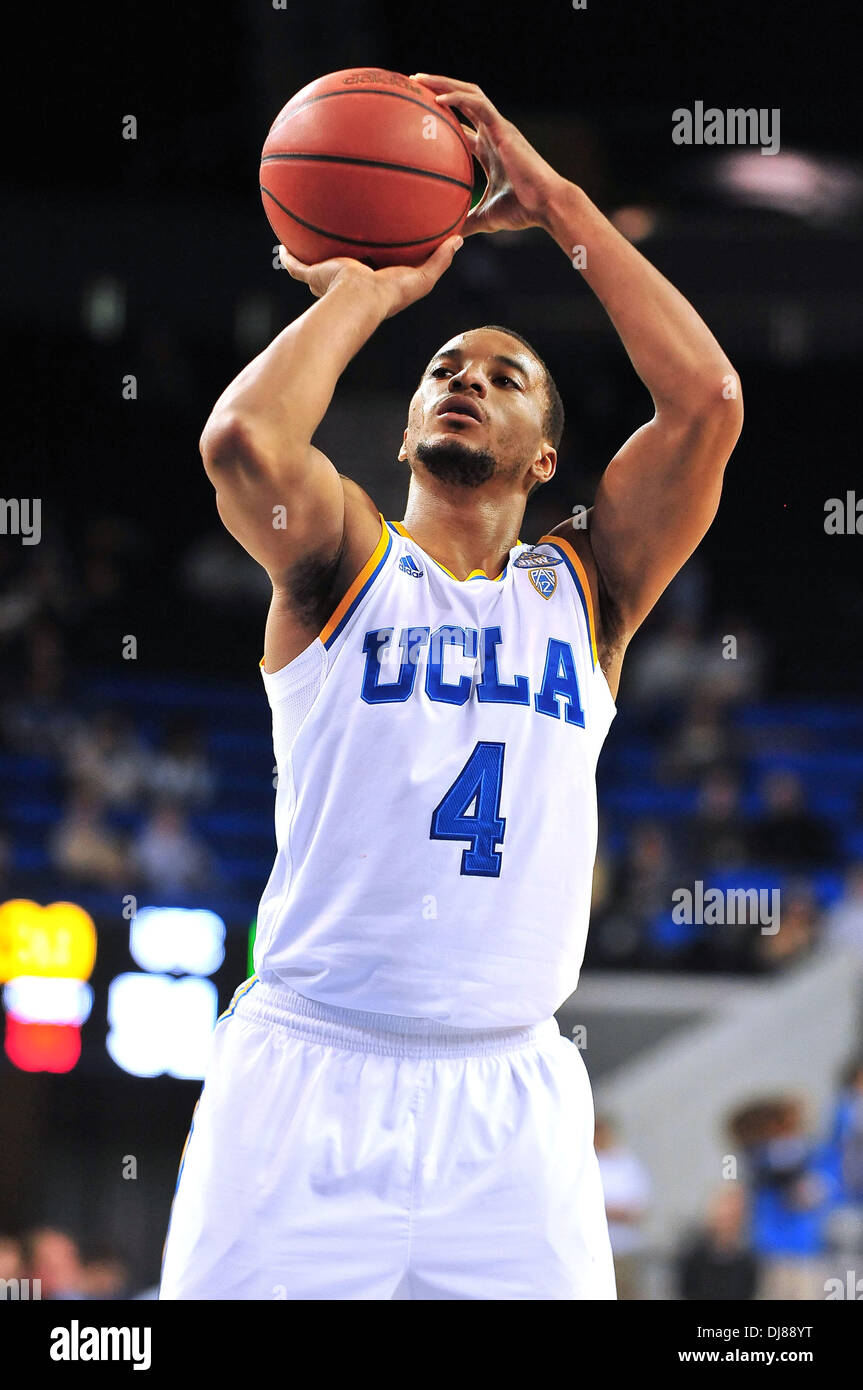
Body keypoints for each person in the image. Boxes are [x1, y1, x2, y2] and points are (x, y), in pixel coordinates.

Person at [159, 73, 743, 1301]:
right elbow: (239, 444)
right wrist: (365, 295)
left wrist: (555, 199)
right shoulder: (339, 562)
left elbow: (705, 402)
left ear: (544, 455)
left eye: (503, 372)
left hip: (510, 1100)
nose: (463, 377)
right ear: (406, 422)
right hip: (307, 1082)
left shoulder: (586, 592)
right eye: (441, 367)